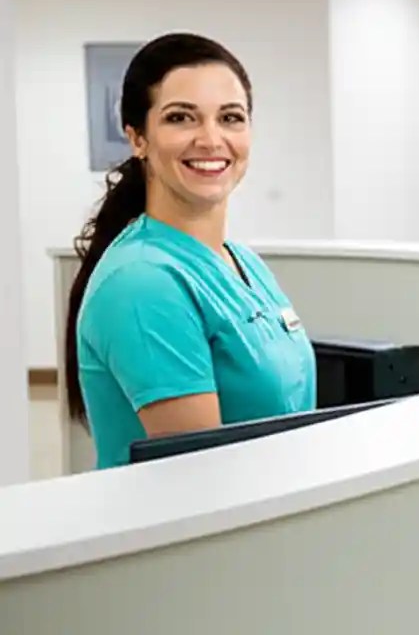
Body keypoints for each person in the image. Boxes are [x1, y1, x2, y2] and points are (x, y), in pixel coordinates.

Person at [65, 33, 317, 469]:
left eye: (230, 118)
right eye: (181, 118)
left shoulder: (242, 262)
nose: (211, 139)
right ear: (138, 138)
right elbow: (202, 476)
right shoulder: (142, 282)